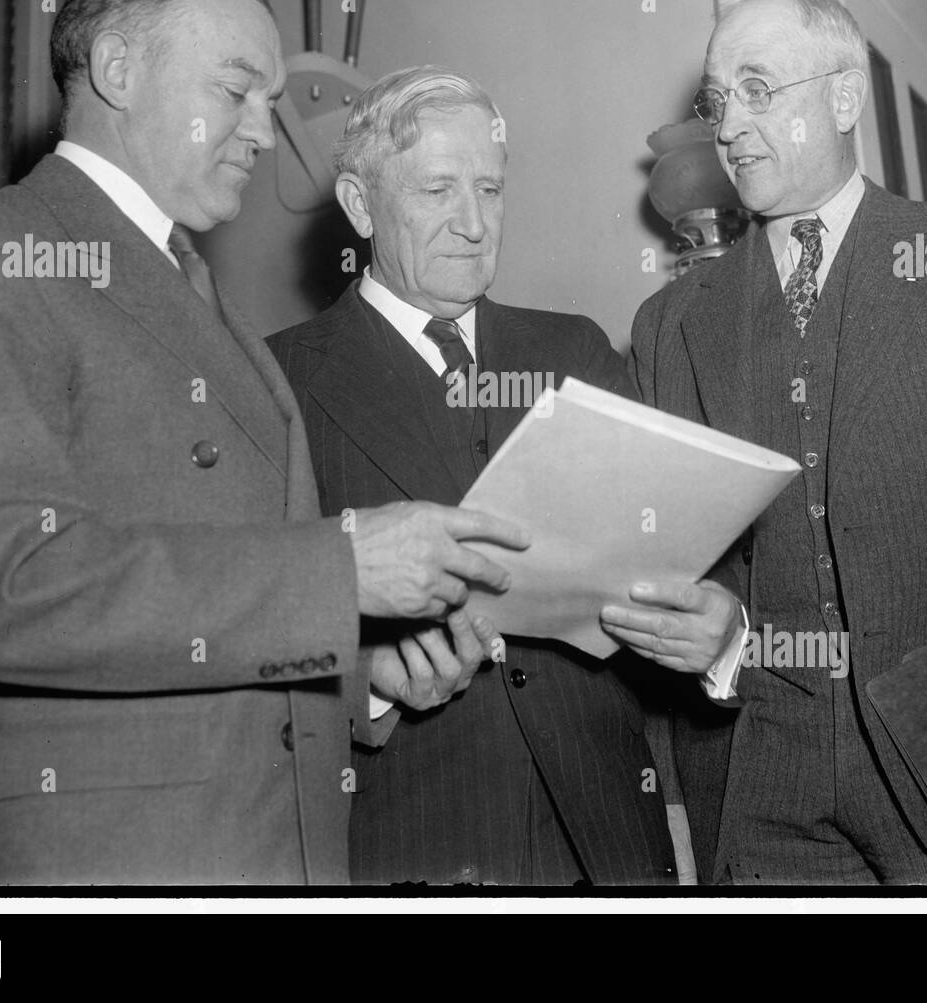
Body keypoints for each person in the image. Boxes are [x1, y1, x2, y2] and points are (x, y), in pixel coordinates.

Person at [0, 0, 525, 885]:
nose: (264, 132)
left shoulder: (198, 291)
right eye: (237, 91)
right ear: (118, 69)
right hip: (101, 861)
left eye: (267, 102)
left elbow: (215, 594)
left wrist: (359, 670)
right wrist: (343, 568)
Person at [629, 0, 927, 885]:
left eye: (758, 89)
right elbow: (684, 562)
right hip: (760, 784)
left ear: (845, 96)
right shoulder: (672, 324)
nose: (728, 125)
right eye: (716, 99)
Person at [269, 66, 739, 885]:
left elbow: (669, 559)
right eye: (437, 190)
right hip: (411, 844)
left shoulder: (577, 351)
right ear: (358, 205)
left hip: (608, 847)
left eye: (489, 188)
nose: (473, 223)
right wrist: (364, 679)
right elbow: (245, 619)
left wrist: (716, 635)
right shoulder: (279, 382)